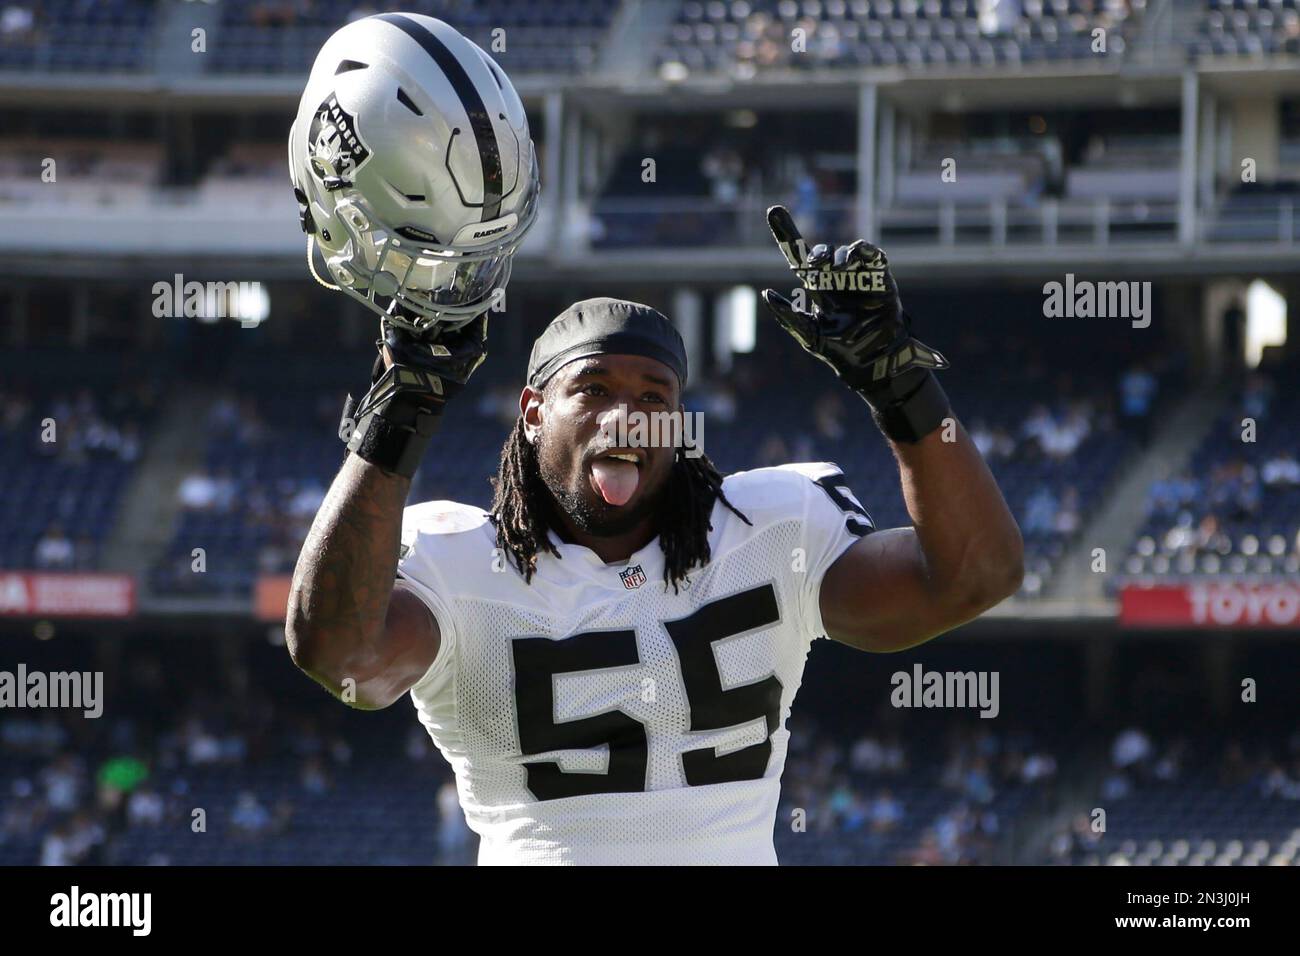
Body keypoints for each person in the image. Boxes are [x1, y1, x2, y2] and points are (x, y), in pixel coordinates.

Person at [286, 205, 1023, 865]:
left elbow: (972, 577)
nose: (624, 417)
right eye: (594, 389)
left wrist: (902, 390)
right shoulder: (459, 563)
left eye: (652, 397)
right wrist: (395, 422)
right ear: (534, 411)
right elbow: (343, 657)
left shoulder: (769, 529)